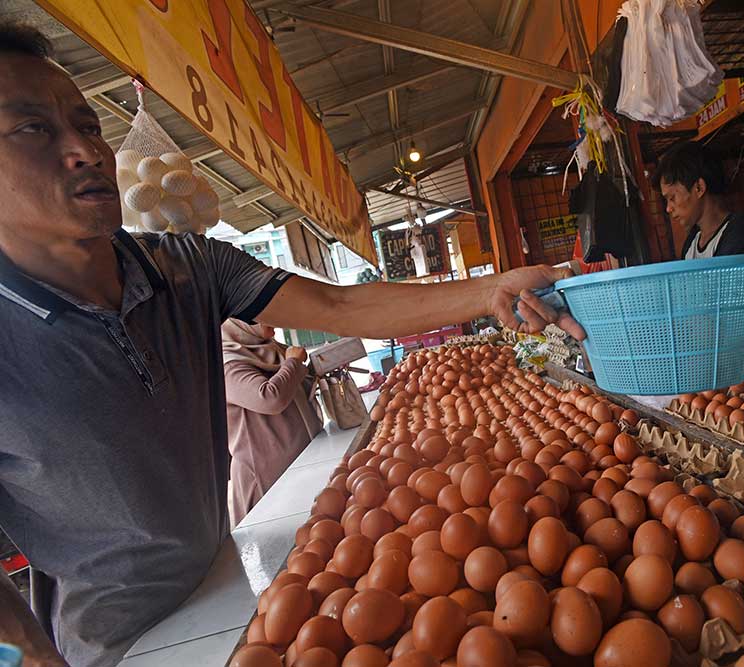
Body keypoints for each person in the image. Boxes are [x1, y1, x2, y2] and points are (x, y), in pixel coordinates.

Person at [0, 24, 580, 667]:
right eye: (33, 129)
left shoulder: (186, 267)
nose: (85, 149)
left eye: (88, 124)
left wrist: (490, 290)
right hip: (113, 650)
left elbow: (338, 306)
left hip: (230, 585)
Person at [221, 320, 323, 526]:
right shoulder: (228, 363)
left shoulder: (271, 348)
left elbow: (293, 387)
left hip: (302, 464)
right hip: (266, 477)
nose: (277, 319)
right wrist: (293, 363)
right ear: (241, 322)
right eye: (264, 314)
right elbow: (269, 398)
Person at [657, 141, 744, 259]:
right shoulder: (691, 244)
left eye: (672, 198)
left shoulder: (743, 231)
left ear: (699, 188)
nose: (668, 208)